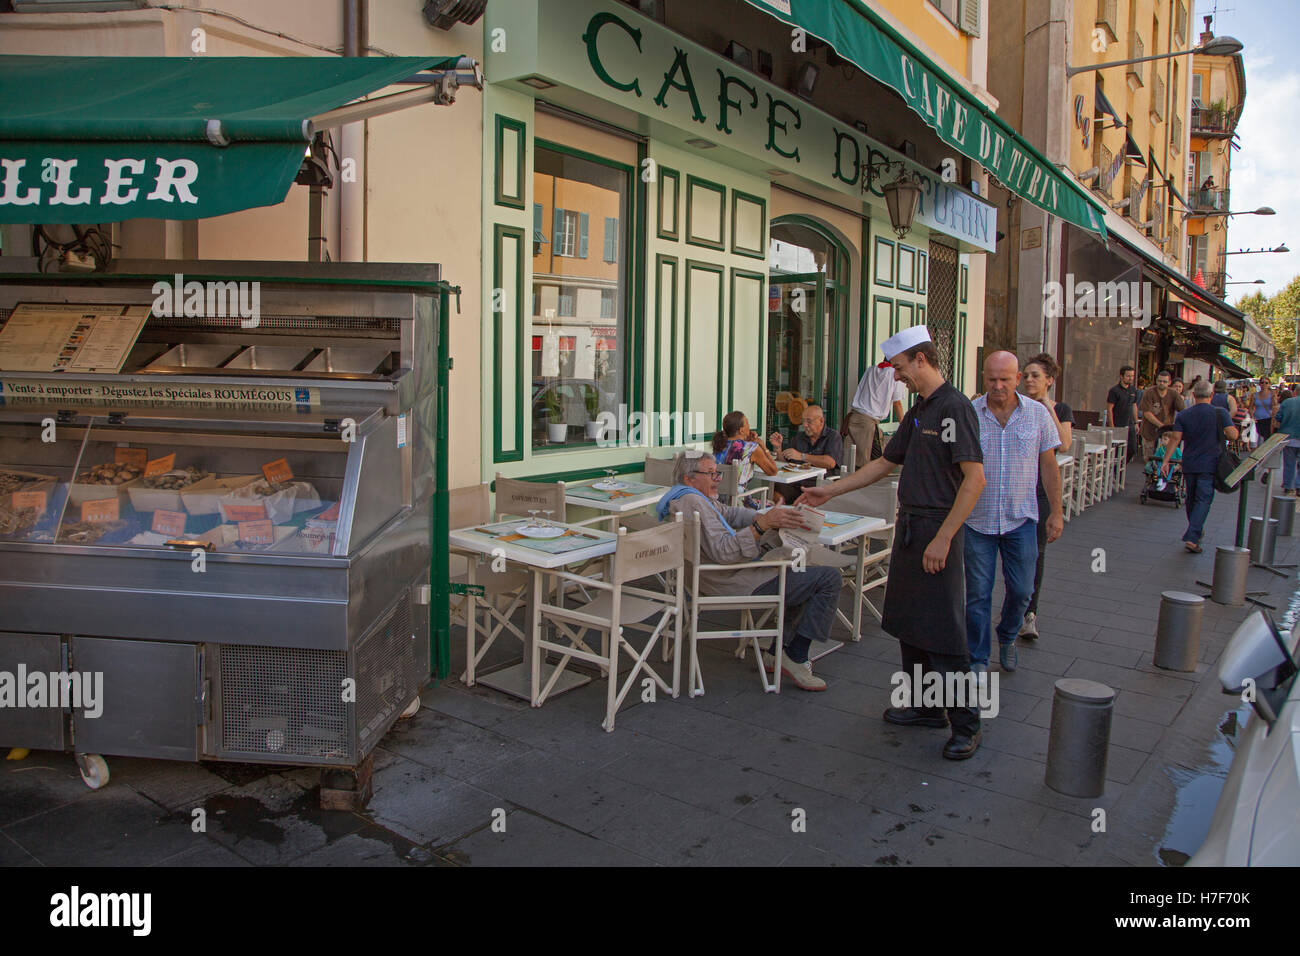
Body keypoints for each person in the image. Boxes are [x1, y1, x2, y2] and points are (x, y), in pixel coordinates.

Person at [798, 326, 986, 759]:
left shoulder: (955, 408)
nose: (897, 377)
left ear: (921, 359)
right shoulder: (920, 411)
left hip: (937, 529)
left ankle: (966, 724)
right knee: (907, 623)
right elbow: (885, 461)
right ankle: (925, 708)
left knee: (943, 631)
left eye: (900, 368)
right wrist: (832, 490)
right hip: (911, 528)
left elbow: (974, 481)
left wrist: (943, 538)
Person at [656, 451, 837, 691]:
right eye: (711, 474)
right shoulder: (693, 502)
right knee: (828, 579)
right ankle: (795, 656)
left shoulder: (683, 497)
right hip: (731, 581)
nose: (718, 478)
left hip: (703, 579)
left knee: (802, 571)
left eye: (716, 472)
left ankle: (777, 652)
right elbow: (724, 552)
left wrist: (769, 516)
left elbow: (728, 513)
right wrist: (762, 525)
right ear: (689, 478)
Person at [964, 352, 1063, 674]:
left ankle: (1007, 635)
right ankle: (977, 658)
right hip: (977, 521)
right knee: (977, 596)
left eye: (1005, 380)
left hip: (1020, 519)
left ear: (1017, 379)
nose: (998, 386)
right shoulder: (970, 414)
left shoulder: (1037, 414)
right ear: (983, 377)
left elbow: (1049, 466)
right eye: (991, 379)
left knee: (1022, 590)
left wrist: (1057, 512)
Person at [1020, 353, 1074, 642]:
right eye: (1025, 375)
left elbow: (1064, 444)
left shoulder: (1060, 409)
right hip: (1016, 487)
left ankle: (1030, 614)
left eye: (1035, 376)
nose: (1029, 380)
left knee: (1036, 554)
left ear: (1049, 381)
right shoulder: (1015, 406)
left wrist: (1045, 408)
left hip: (1041, 491)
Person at [1159, 379, 1239, 552]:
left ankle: (1195, 531)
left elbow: (1175, 438)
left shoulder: (1184, 415)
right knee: (1203, 499)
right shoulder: (1220, 413)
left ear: (1194, 396)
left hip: (1190, 462)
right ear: (1211, 395)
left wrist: (1165, 461)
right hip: (1210, 464)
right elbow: (1233, 436)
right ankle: (1193, 536)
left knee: (1191, 498)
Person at [769, 404, 843, 502]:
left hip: (820, 486)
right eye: (803, 421)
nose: (805, 425)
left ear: (821, 421)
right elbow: (784, 463)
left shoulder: (833, 437)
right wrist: (778, 448)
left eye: (809, 421)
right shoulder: (799, 437)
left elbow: (830, 462)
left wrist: (802, 456)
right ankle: (779, 514)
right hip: (796, 484)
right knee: (776, 489)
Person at [843, 361, 907, 465]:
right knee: (868, 464)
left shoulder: (871, 369)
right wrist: (905, 427)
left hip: (855, 417)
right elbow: (897, 404)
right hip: (868, 423)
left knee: (854, 460)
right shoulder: (896, 375)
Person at [712, 411, 777, 504]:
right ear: (741, 430)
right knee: (773, 505)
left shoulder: (720, 445)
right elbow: (773, 471)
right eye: (747, 423)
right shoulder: (752, 448)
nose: (749, 425)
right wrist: (763, 446)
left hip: (717, 502)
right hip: (739, 503)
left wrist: (747, 439)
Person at [1139, 369, 1185, 459]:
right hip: (1149, 431)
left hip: (1167, 434)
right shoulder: (1149, 392)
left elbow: (1183, 410)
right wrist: (1161, 425)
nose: (1162, 383)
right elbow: (1147, 413)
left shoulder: (1173, 394)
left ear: (1169, 382)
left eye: (1165, 381)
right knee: (1149, 460)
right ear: (1156, 381)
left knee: (1167, 458)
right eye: (1160, 381)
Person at [1106, 365, 1142, 462]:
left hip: (1130, 424)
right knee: (1117, 450)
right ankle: (1116, 470)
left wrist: (1136, 422)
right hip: (1118, 424)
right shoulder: (1114, 391)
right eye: (1128, 376)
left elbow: (1134, 405)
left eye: (1132, 376)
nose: (1130, 378)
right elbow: (1109, 409)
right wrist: (1112, 426)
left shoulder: (1133, 390)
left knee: (1133, 449)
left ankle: (1121, 465)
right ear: (1121, 376)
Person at [1254, 376, 1278, 441]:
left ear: (1269, 384)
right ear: (1259, 384)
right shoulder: (1254, 395)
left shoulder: (1272, 394)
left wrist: (1273, 398)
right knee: (1258, 438)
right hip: (1257, 420)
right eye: (1262, 382)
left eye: (1266, 383)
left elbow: (1275, 407)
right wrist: (1251, 416)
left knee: (1266, 438)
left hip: (1268, 419)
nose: (1264, 384)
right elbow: (1250, 407)